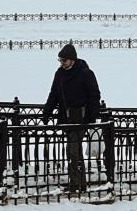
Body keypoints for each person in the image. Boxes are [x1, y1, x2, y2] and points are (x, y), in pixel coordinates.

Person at [43, 41, 101, 196]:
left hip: (81, 117)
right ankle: (79, 183)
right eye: (60, 60)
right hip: (66, 117)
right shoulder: (60, 74)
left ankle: (76, 184)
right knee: (72, 151)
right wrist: (46, 112)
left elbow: (94, 95)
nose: (62, 63)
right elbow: (53, 94)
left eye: (64, 60)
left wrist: (92, 117)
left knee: (73, 150)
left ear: (72, 60)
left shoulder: (85, 73)